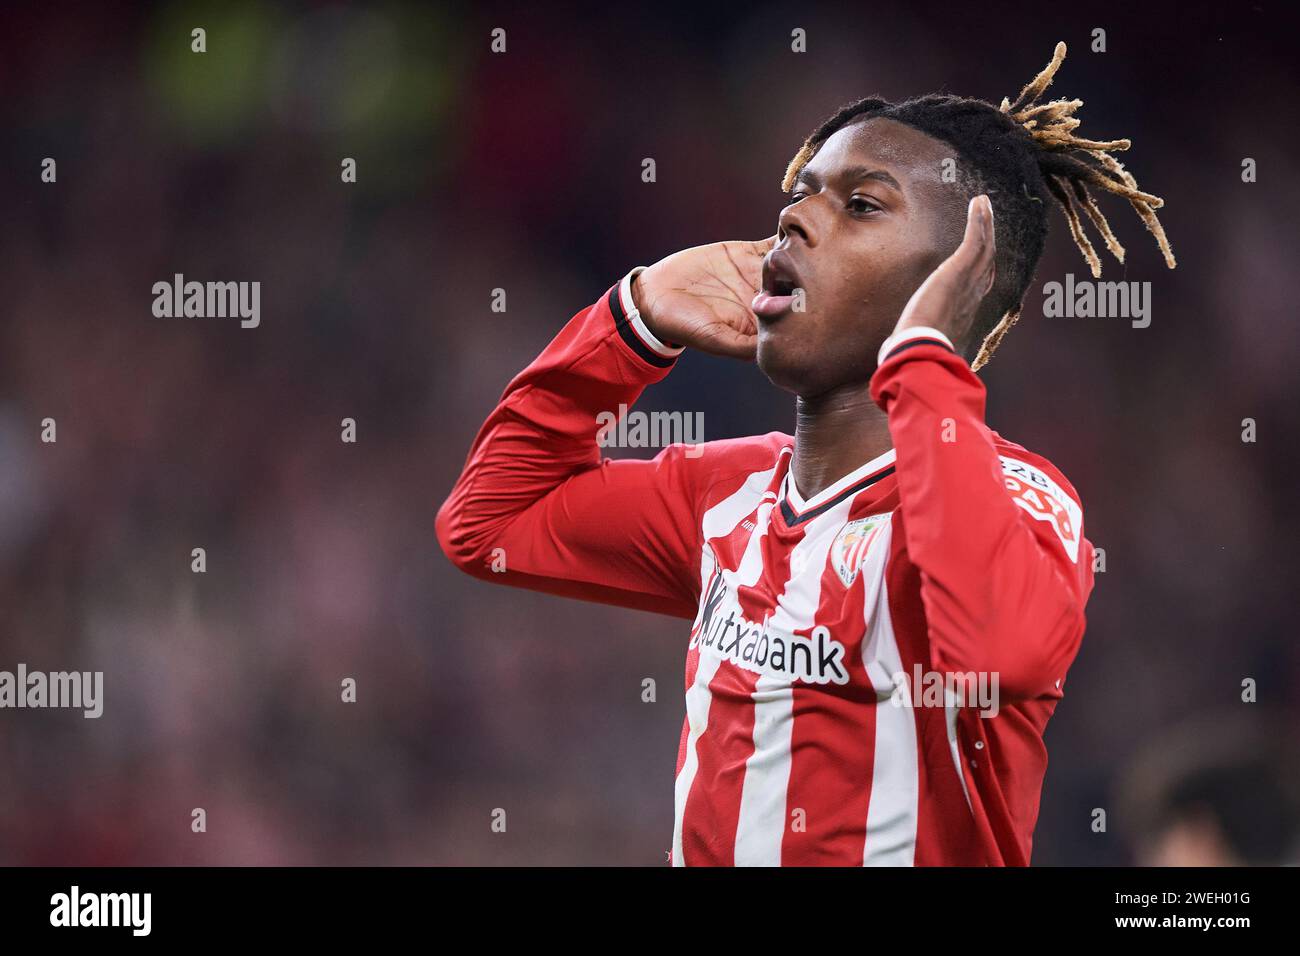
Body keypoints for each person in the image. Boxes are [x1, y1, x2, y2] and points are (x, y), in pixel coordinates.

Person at [438, 43, 1175, 865]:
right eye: (801, 193)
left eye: (861, 205)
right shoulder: (726, 493)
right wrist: (630, 321)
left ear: (966, 270)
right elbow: (490, 522)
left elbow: (995, 651)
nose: (795, 217)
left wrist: (923, 356)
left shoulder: (1020, 497)